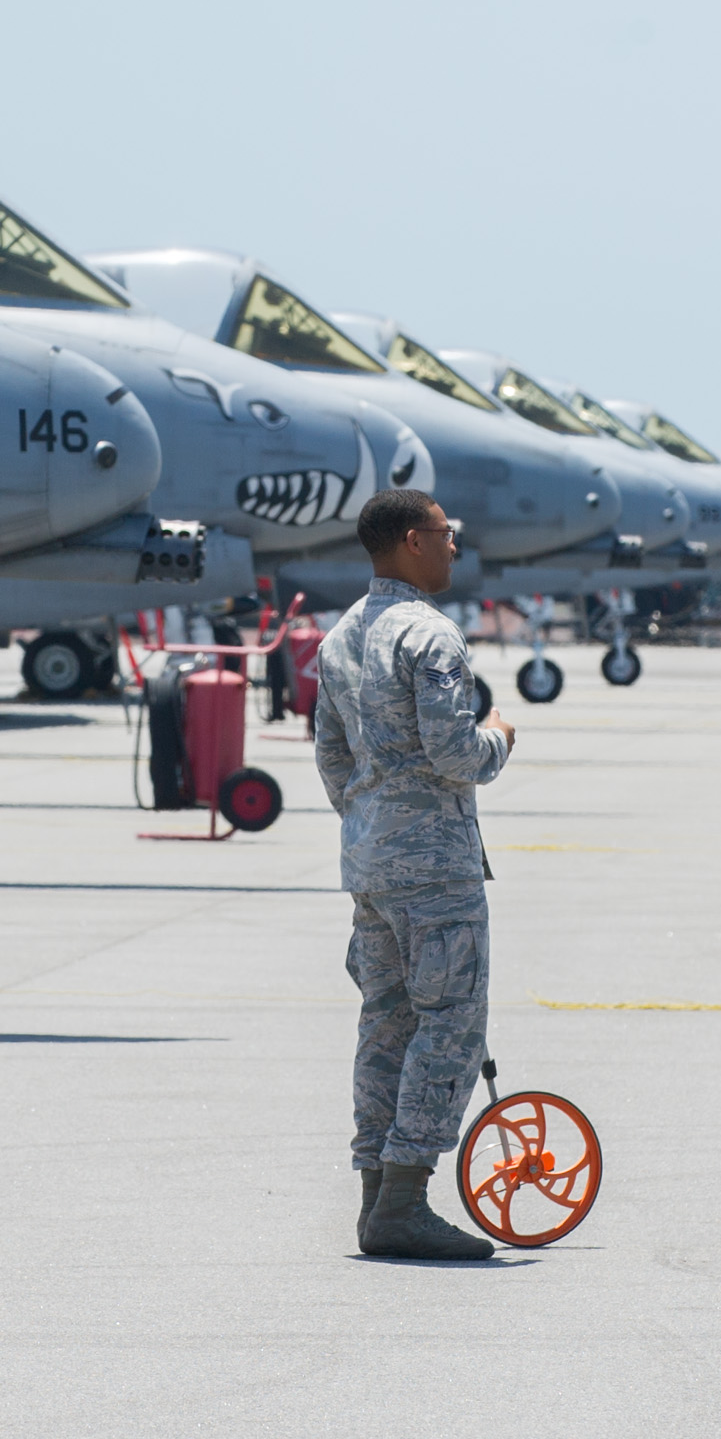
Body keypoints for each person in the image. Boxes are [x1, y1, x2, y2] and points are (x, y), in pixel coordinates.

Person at [314, 487, 519, 1260]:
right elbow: (456, 755)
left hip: (370, 862)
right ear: (411, 541)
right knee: (451, 1025)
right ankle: (403, 1199)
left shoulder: (338, 638)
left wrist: (370, 818)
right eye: (445, 533)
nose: (454, 545)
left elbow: (331, 756)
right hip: (434, 866)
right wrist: (500, 737)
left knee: (386, 1025)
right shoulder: (429, 635)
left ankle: (376, 1197)